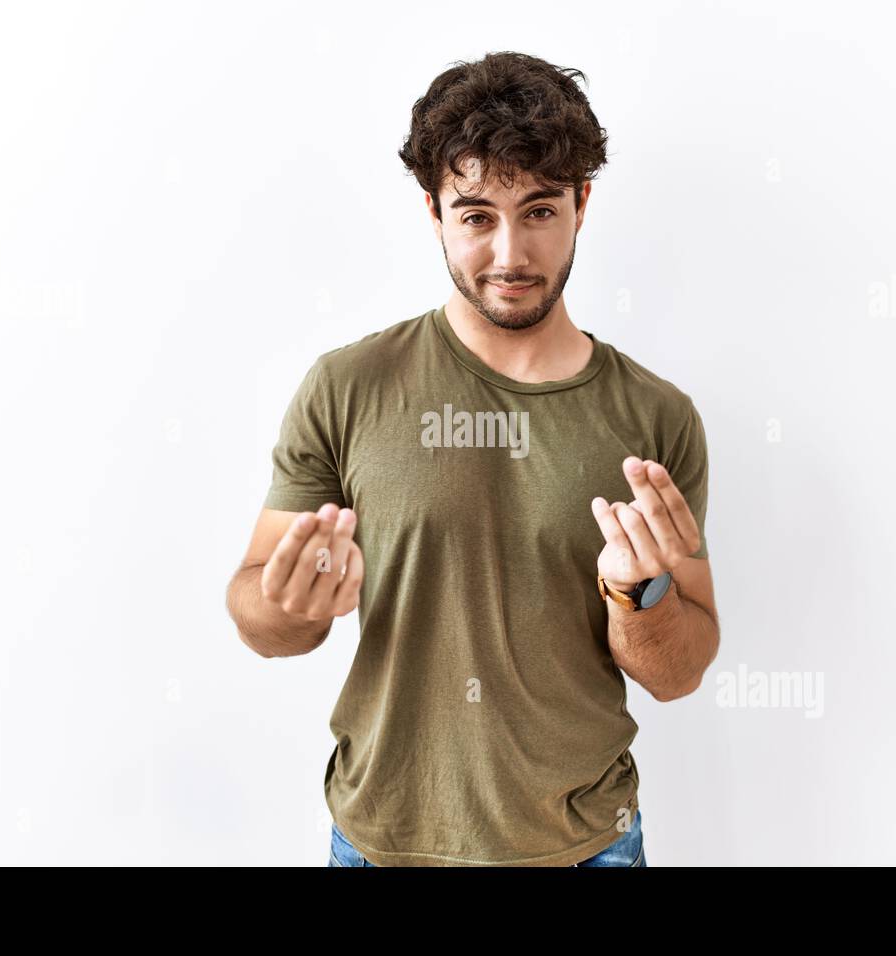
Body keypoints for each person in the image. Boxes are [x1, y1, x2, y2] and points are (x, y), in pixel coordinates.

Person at [226, 51, 721, 867]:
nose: (509, 255)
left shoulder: (656, 417)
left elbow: (679, 673)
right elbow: (258, 614)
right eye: (476, 216)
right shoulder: (347, 387)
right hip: (383, 842)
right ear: (434, 213)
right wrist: (295, 604)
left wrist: (643, 595)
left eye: (538, 211)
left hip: (586, 845)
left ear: (582, 204)